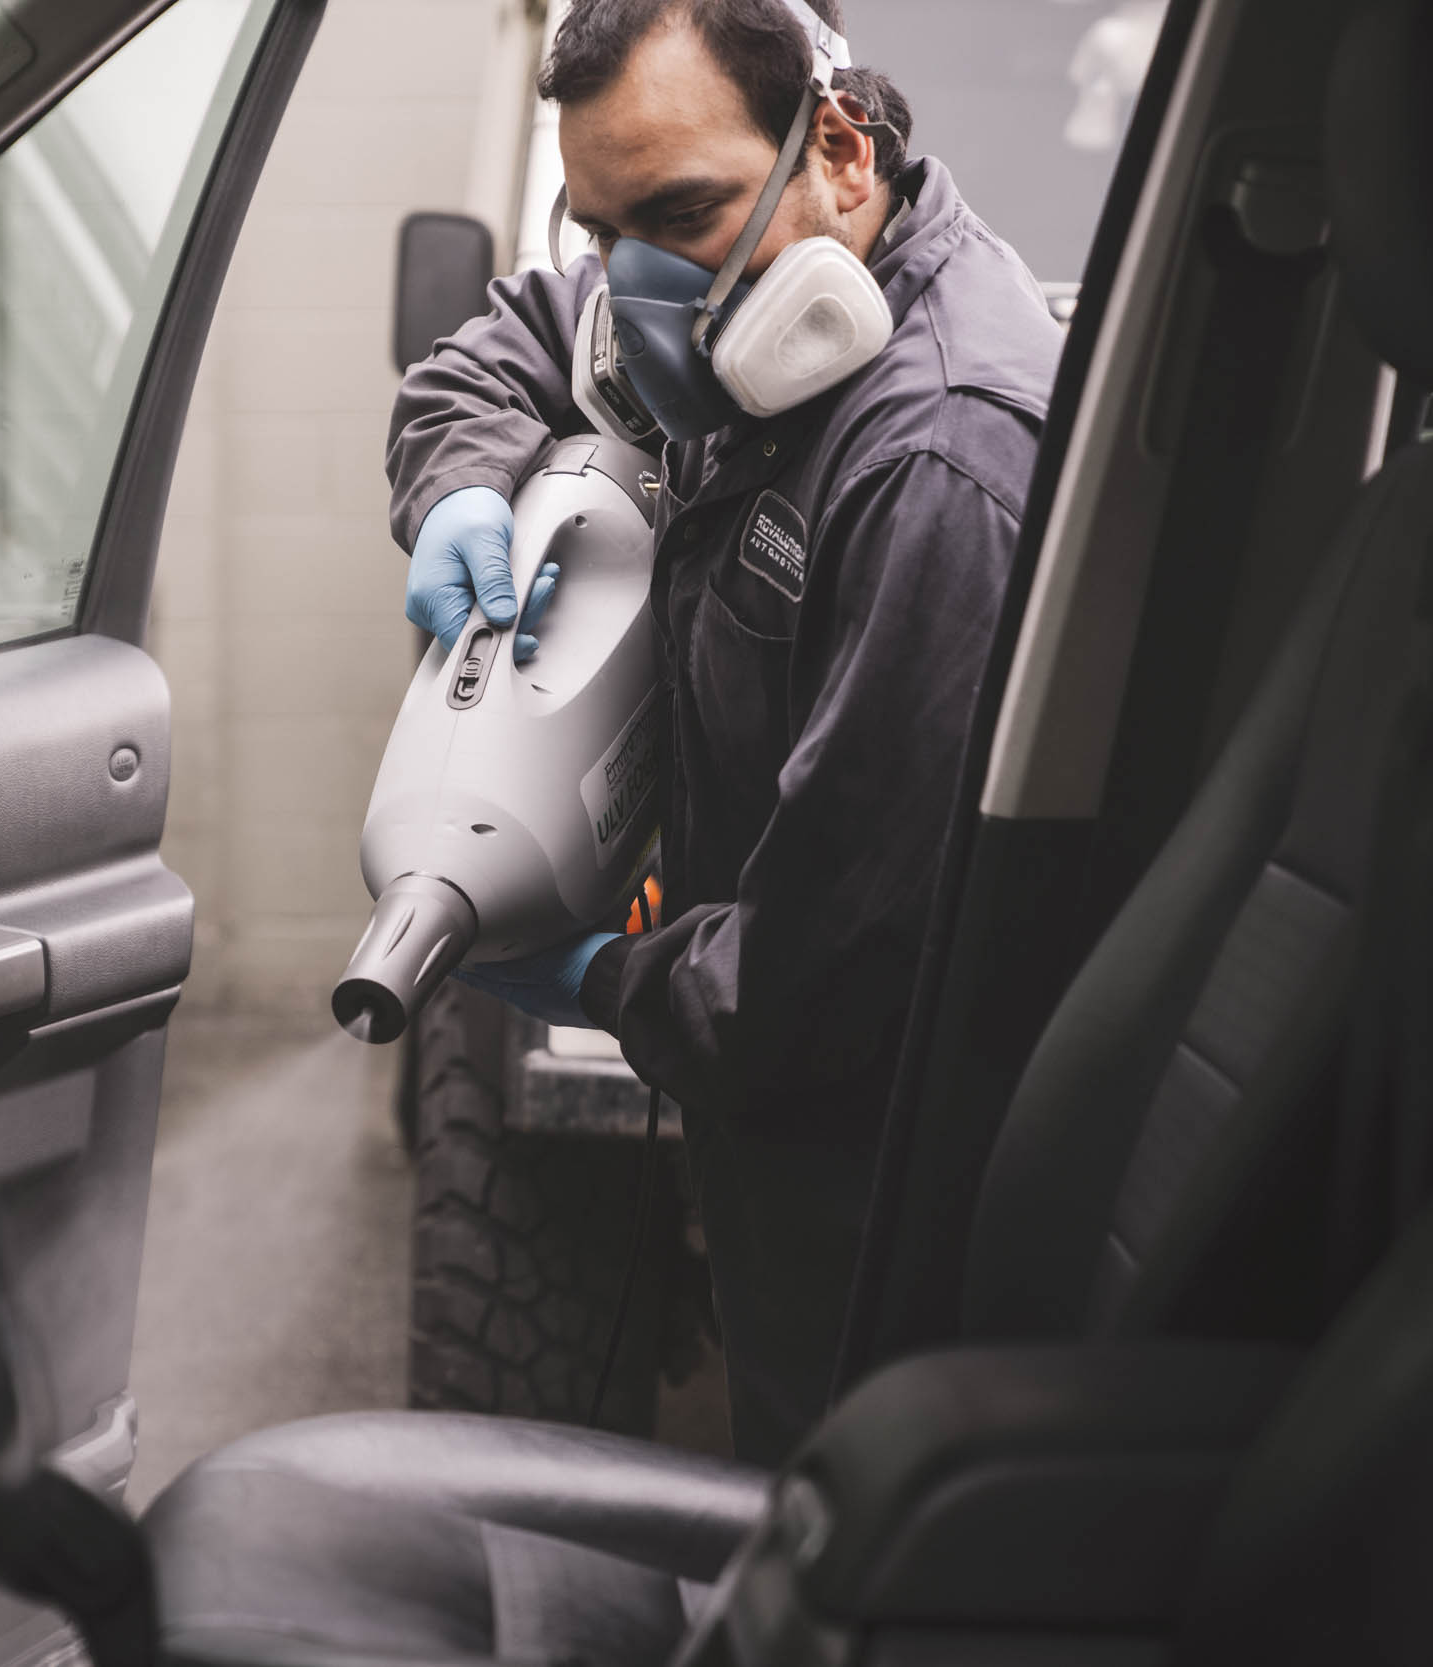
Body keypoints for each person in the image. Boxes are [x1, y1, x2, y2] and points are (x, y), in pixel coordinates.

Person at [387, 0, 1062, 1462]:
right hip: (773, 1135)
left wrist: (598, 977)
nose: (634, 293)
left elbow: (818, 982)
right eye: (598, 227)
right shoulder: (726, 289)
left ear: (838, 146)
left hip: (872, 1192)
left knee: (839, 1518)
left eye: (680, 214)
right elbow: (502, 343)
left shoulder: (941, 461)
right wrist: (458, 483)